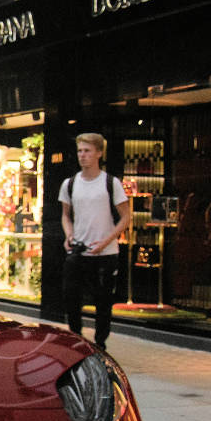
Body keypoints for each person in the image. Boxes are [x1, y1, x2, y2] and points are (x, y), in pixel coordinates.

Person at [59, 132, 131, 350]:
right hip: (79, 251)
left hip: (105, 253)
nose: (82, 155)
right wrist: (68, 234)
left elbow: (126, 217)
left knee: (103, 302)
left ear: (99, 153)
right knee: (71, 297)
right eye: (80, 151)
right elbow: (65, 214)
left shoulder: (111, 183)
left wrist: (106, 241)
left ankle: (100, 343)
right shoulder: (70, 183)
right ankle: (76, 337)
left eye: (87, 151)